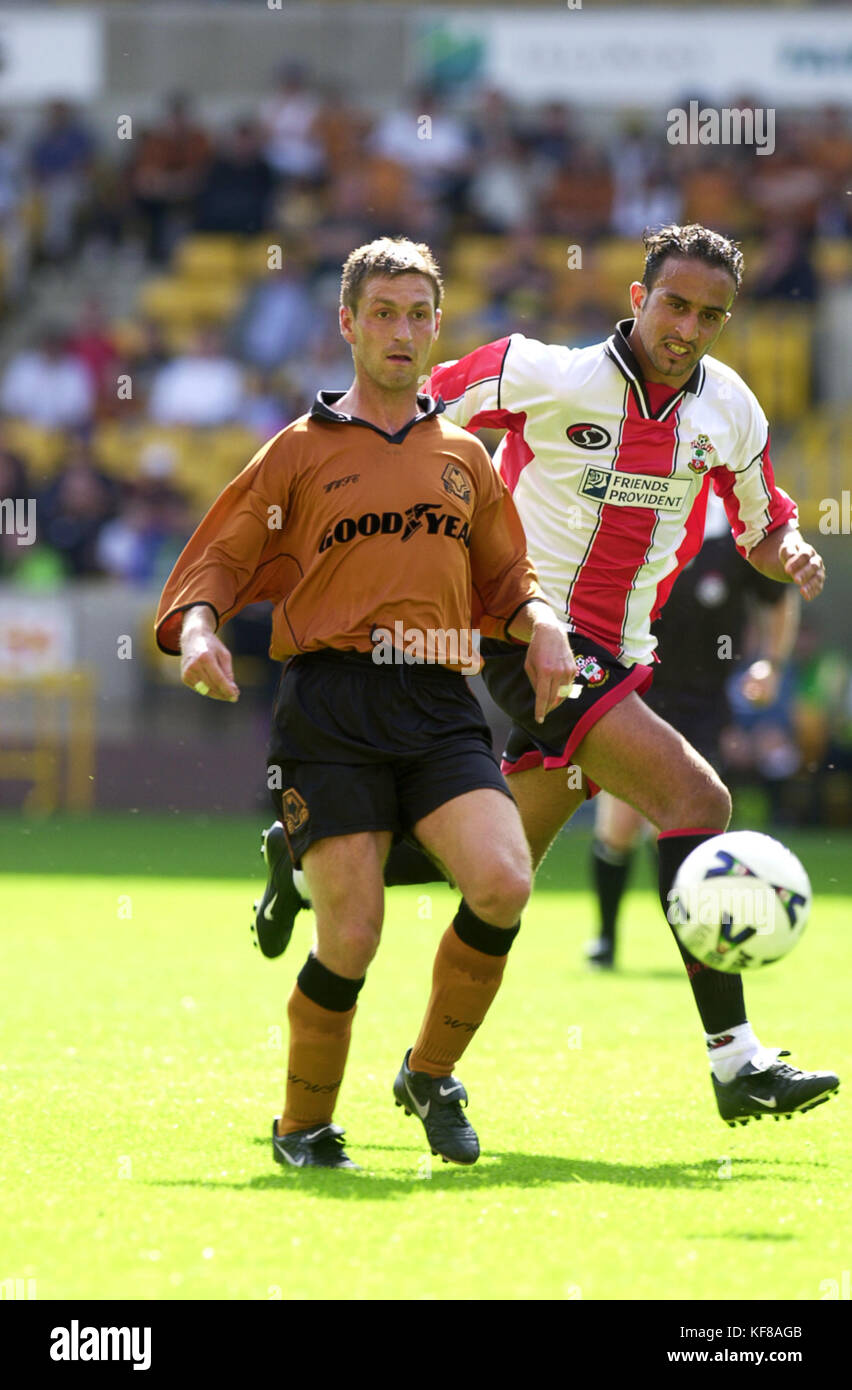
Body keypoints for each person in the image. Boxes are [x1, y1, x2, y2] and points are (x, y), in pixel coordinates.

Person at [255, 223, 839, 1130]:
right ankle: (737, 1063)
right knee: (698, 801)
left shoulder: (731, 410)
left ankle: (319, 894)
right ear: (638, 300)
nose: (689, 327)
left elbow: (763, 525)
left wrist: (790, 550)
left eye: (711, 315)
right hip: (527, 640)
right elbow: (406, 409)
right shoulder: (546, 374)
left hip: (623, 661)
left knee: (500, 865)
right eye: (675, 304)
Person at [155, 237, 575, 1171]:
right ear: (347, 324)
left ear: (437, 328)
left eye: (419, 314)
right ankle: (301, 1130)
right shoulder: (298, 452)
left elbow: (511, 576)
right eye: (382, 313)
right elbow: (220, 558)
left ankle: (430, 1073)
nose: (402, 331)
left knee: (505, 880)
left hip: (436, 696)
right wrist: (197, 631)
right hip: (330, 704)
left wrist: (543, 622)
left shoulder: (465, 453)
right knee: (354, 937)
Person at [586, 489, 800, 969]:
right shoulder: (640, 514)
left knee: (692, 824)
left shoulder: (736, 533)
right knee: (620, 826)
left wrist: (771, 662)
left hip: (704, 705)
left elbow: (779, 597)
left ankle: (700, 942)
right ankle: (604, 939)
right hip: (635, 691)